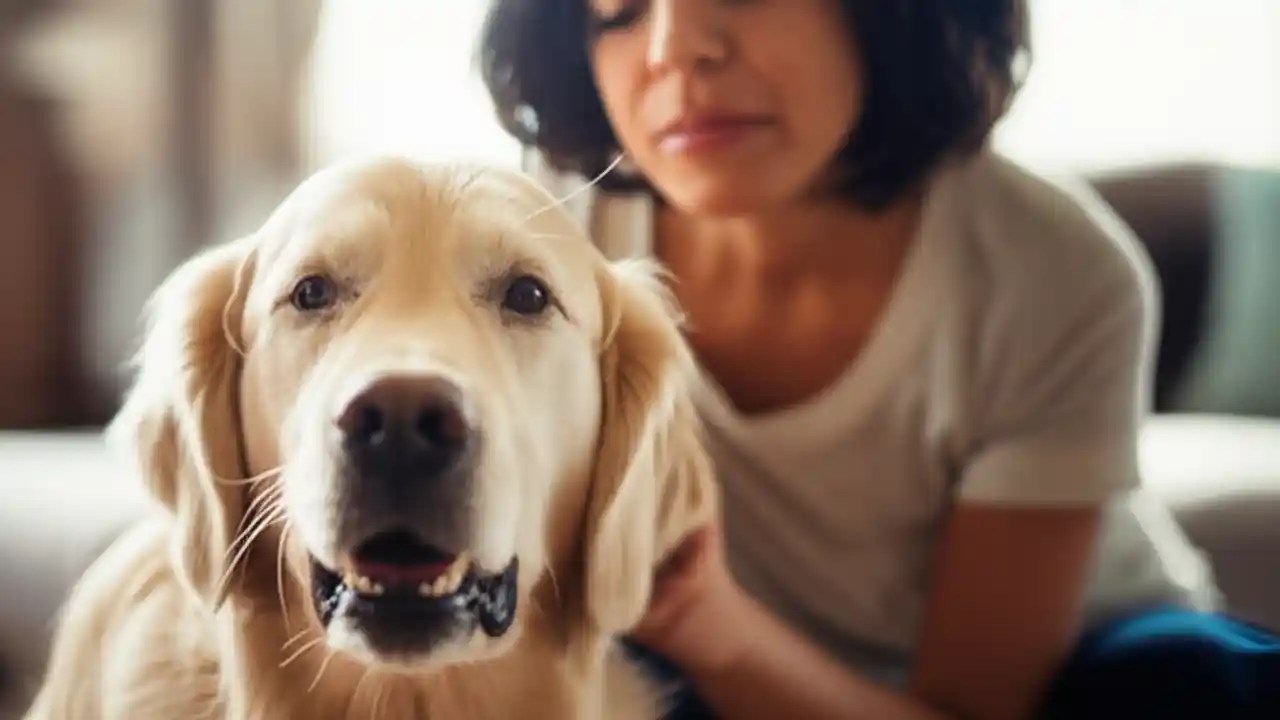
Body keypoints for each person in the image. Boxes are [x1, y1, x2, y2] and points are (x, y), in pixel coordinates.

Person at [478, 1, 1280, 718]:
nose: (674, 48)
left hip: (1077, 672)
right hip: (697, 659)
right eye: (618, 11)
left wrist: (705, 623)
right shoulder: (548, 236)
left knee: (1190, 680)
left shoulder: (1055, 273)